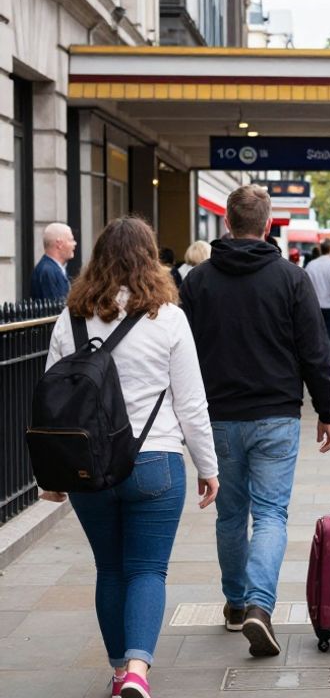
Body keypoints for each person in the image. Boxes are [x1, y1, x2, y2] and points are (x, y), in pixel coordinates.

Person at [41, 216, 219, 698]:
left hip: (87, 467)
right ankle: (139, 671)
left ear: (97, 258)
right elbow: (191, 402)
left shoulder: (71, 316)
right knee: (147, 568)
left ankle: (119, 670)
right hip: (155, 461)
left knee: (109, 568)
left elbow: (53, 399)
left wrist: (50, 470)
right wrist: (208, 466)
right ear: (150, 259)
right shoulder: (169, 318)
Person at [179, 185, 330, 658]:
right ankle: (259, 607)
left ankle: (233, 604)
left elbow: (181, 354)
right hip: (276, 415)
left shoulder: (198, 282)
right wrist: (326, 410)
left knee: (230, 515)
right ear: (267, 225)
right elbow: (315, 350)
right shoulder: (290, 278)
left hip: (219, 417)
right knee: (270, 514)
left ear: (227, 223)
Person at [305, 239, 330, 362]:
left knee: (316, 336)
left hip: (315, 305)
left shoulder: (311, 265)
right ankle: (329, 361)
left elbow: (306, 286)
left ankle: (318, 361)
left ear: (321, 249)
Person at [32, 222, 76, 300]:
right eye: (71, 240)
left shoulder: (54, 269)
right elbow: (57, 309)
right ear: (59, 244)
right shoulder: (48, 271)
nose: (74, 244)